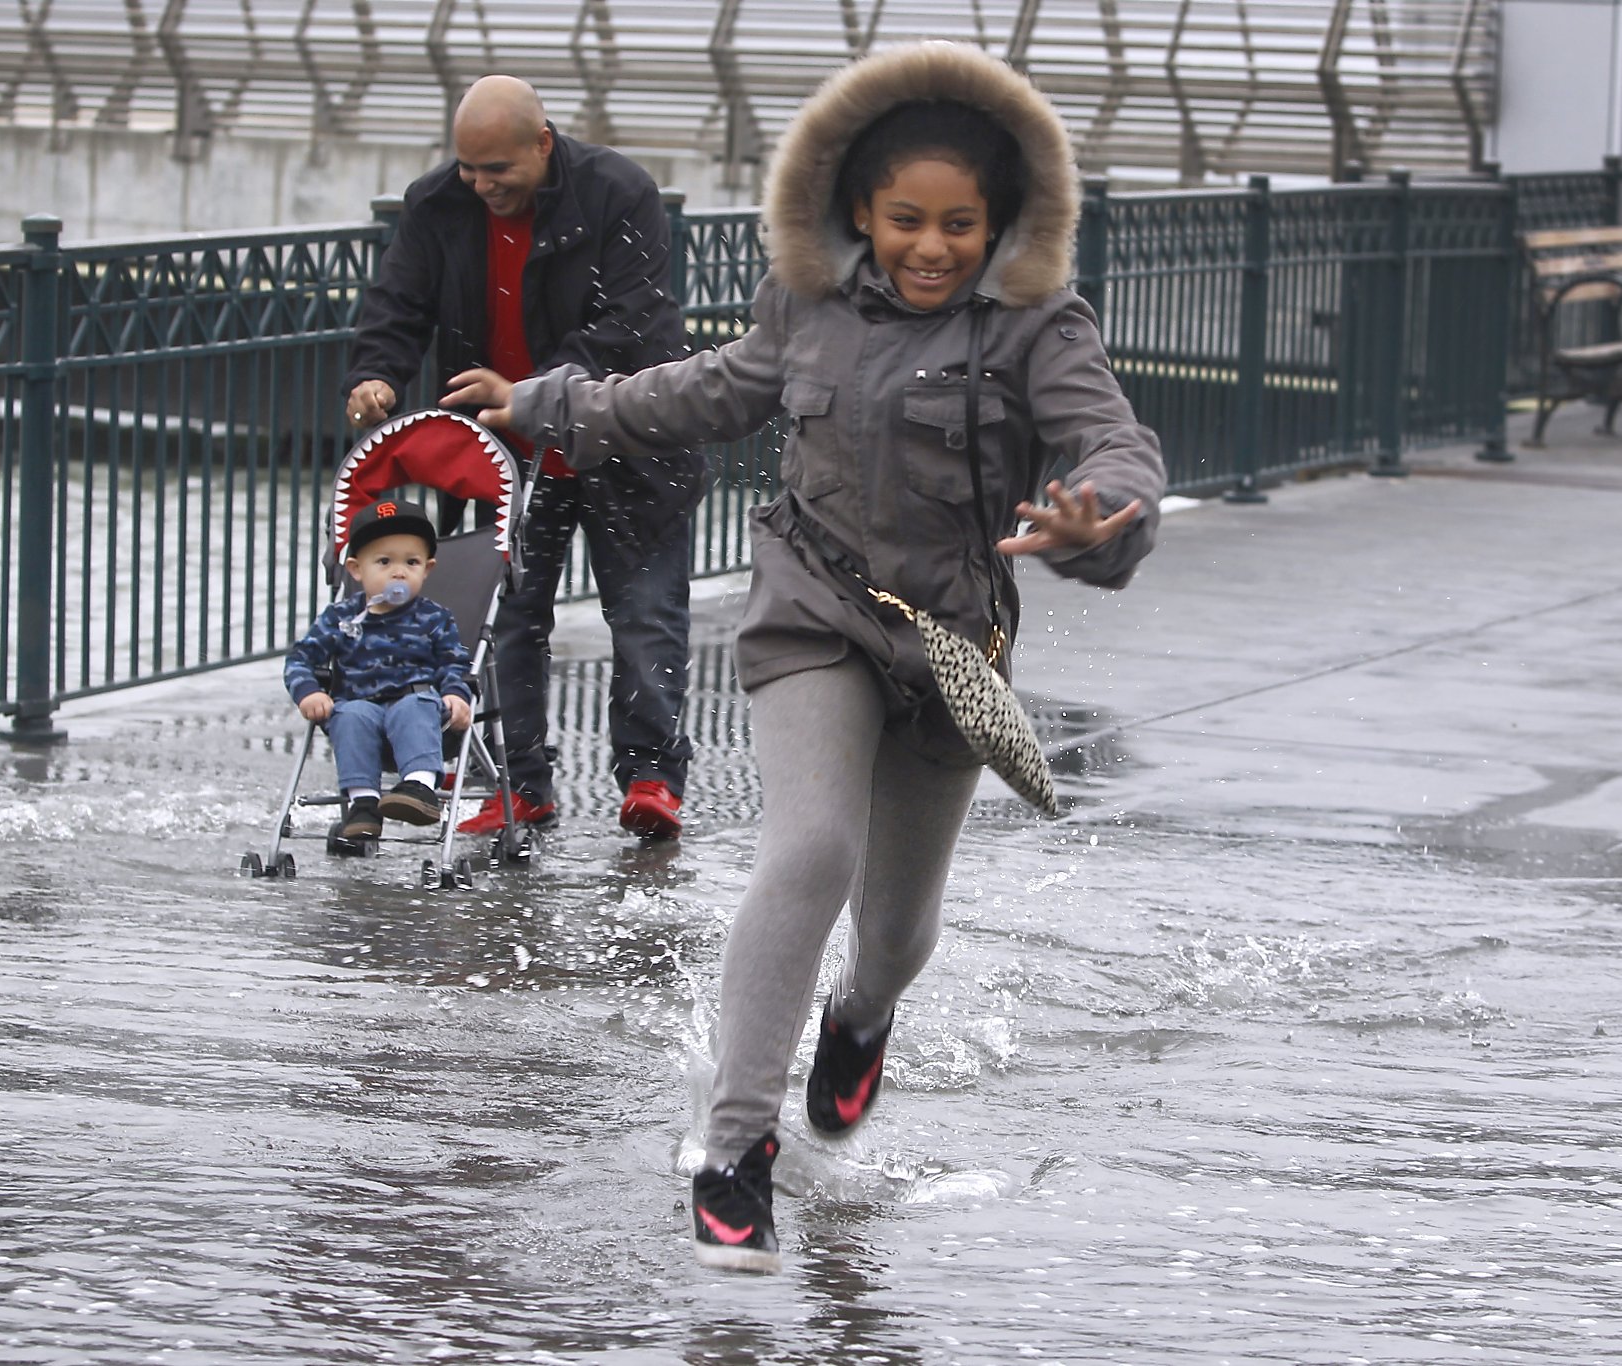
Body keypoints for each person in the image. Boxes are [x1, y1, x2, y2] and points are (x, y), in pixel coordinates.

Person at [447, 42, 1166, 1272]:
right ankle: (734, 1153)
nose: (929, 247)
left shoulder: (1039, 321)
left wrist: (1100, 513)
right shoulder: (808, 304)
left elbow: (1114, 439)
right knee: (812, 847)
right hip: (812, 606)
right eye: (903, 221)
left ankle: (862, 1015)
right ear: (858, 214)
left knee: (896, 929)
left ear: (998, 224)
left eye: (957, 225)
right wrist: (547, 403)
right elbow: (704, 390)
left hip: (947, 643)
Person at [344, 74, 705, 841]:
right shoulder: (439, 203)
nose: (482, 186)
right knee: (504, 624)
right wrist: (376, 372)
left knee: (644, 618)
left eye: (498, 170)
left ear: (542, 144)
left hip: (628, 441)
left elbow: (632, 322)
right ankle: (516, 784)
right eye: (469, 169)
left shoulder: (619, 192)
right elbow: (398, 301)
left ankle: (651, 779)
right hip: (505, 458)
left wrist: (535, 389)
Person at [283, 500, 474, 843]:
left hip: (421, 716)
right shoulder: (341, 618)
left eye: (411, 562)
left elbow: (454, 664)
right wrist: (309, 691)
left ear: (427, 569)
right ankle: (363, 805)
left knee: (416, 704)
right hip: (360, 708)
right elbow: (300, 659)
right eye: (384, 562)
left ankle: (418, 788)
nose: (399, 572)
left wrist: (457, 695)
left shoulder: (435, 618)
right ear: (357, 570)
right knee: (349, 713)